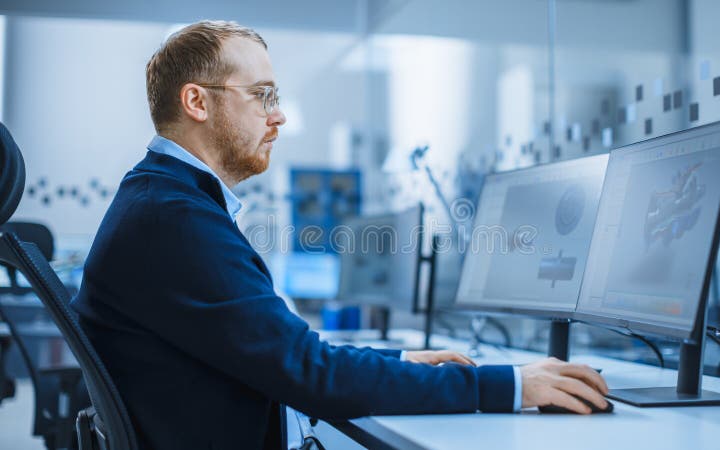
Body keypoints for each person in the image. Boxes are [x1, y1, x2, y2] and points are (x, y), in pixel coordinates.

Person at [71, 20, 609, 450]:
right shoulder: (173, 218)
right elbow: (308, 373)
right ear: (197, 102)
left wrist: (396, 363)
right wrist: (510, 386)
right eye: (261, 95)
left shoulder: (165, 201)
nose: (277, 115)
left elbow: (286, 354)